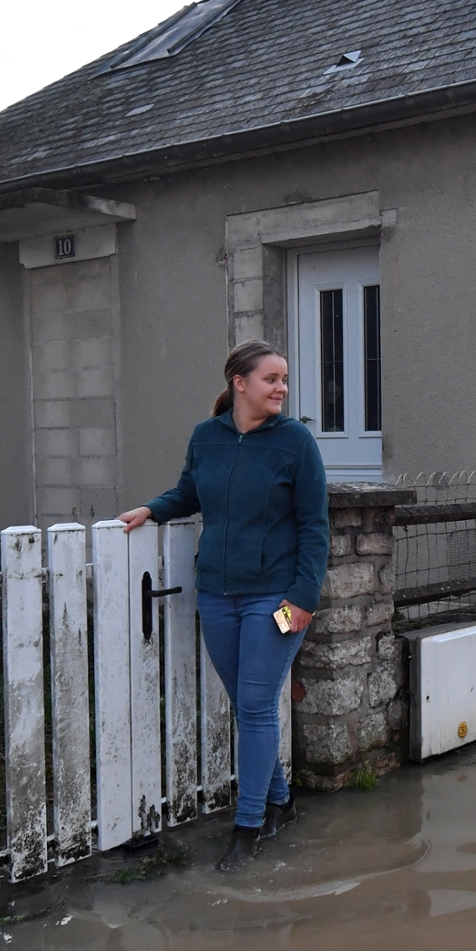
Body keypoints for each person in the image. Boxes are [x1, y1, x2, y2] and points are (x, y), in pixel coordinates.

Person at [118, 340, 328, 872]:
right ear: (240, 382)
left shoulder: (296, 442)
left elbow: (314, 526)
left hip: (276, 599)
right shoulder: (206, 437)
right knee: (248, 707)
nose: (281, 387)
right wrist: (151, 509)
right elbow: (190, 493)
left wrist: (303, 597)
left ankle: (248, 826)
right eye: (271, 379)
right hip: (216, 594)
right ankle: (281, 799)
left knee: (255, 708)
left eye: (283, 378)